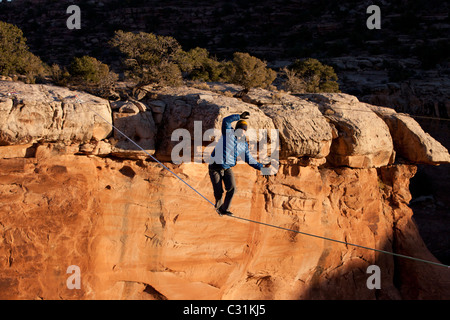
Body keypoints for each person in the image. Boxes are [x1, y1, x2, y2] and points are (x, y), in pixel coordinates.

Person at [209, 112, 270, 216]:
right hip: (215, 166)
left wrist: (262, 168)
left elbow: (249, 159)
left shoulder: (243, 145)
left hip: (227, 168)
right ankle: (219, 208)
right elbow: (226, 121)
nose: (242, 131)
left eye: (244, 130)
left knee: (232, 188)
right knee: (219, 192)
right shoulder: (228, 133)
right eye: (241, 129)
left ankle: (224, 209)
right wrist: (238, 117)